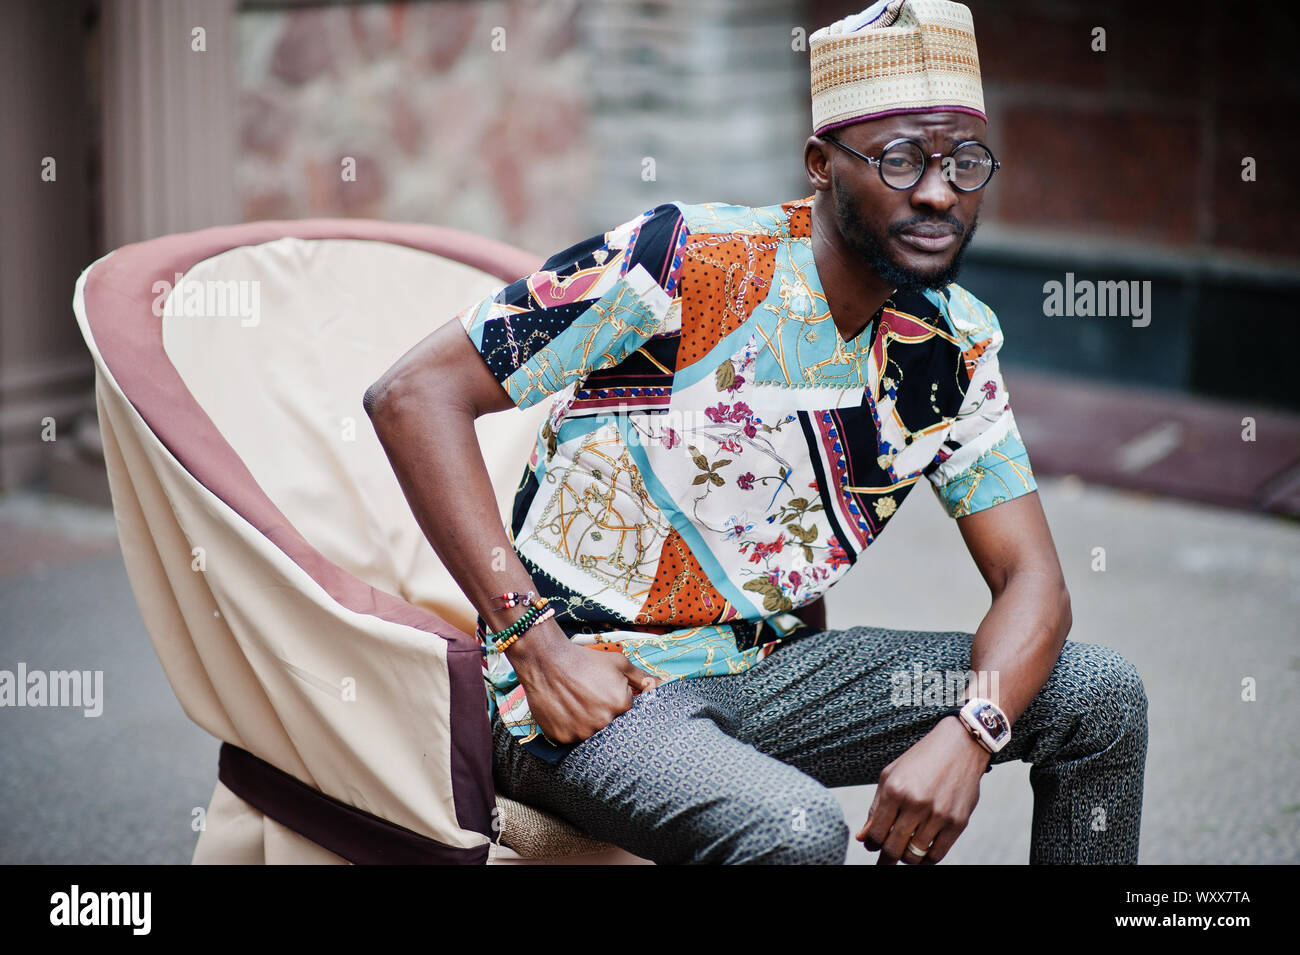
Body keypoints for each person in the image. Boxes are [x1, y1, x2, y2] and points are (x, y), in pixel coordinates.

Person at [364, 0, 1148, 864]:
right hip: (596, 690)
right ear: (820, 163)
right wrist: (536, 646)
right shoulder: (681, 259)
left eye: (964, 162)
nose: (937, 192)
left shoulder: (951, 346)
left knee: (1097, 695)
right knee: (793, 829)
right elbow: (414, 394)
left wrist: (973, 728)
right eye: (899, 159)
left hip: (771, 678)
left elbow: (1034, 582)